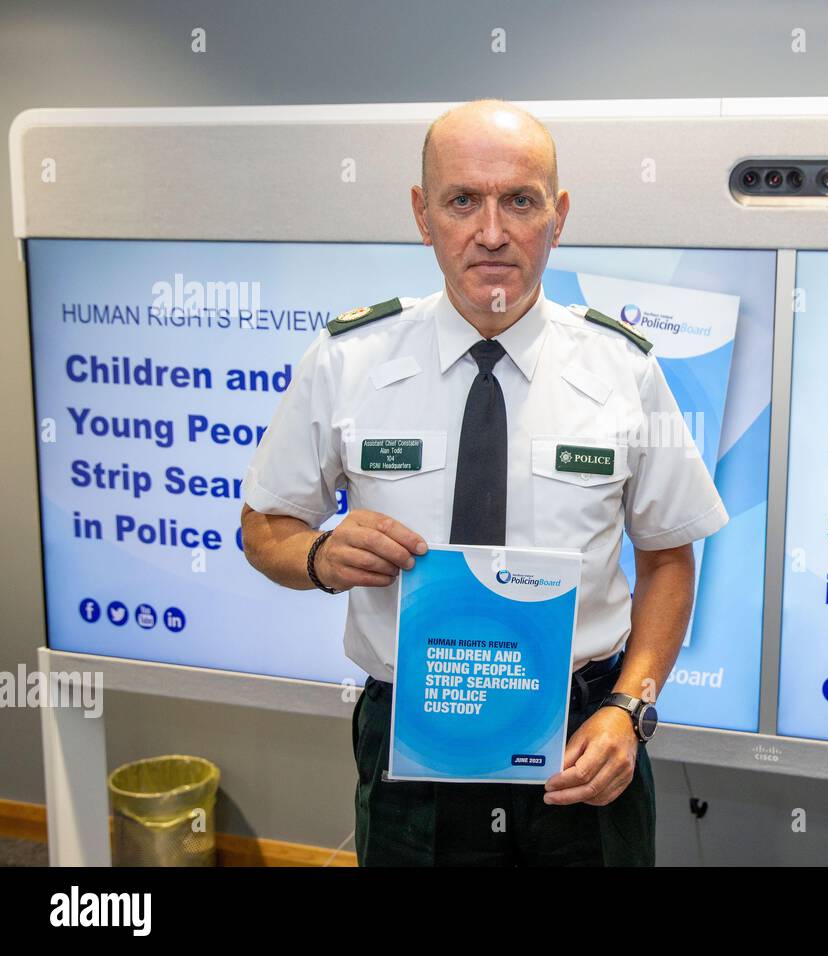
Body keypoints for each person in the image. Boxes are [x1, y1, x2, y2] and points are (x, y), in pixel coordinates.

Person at [239, 98, 728, 866]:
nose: (492, 232)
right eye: (462, 200)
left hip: (583, 732)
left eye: (520, 201)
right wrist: (317, 557)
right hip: (413, 733)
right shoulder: (346, 361)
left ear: (558, 215)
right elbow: (264, 527)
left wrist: (631, 709)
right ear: (422, 213)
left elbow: (668, 557)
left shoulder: (624, 369)